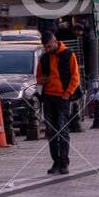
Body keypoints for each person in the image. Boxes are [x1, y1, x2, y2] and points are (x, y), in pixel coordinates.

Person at [37, 30, 80, 175]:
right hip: (48, 98)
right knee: (51, 131)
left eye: (49, 46)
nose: (48, 50)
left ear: (55, 42)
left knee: (62, 130)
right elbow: (38, 78)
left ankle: (64, 162)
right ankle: (56, 161)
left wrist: (67, 93)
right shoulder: (44, 58)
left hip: (62, 98)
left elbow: (75, 76)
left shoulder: (69, 55)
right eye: (46, 48)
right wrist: (42, 80)